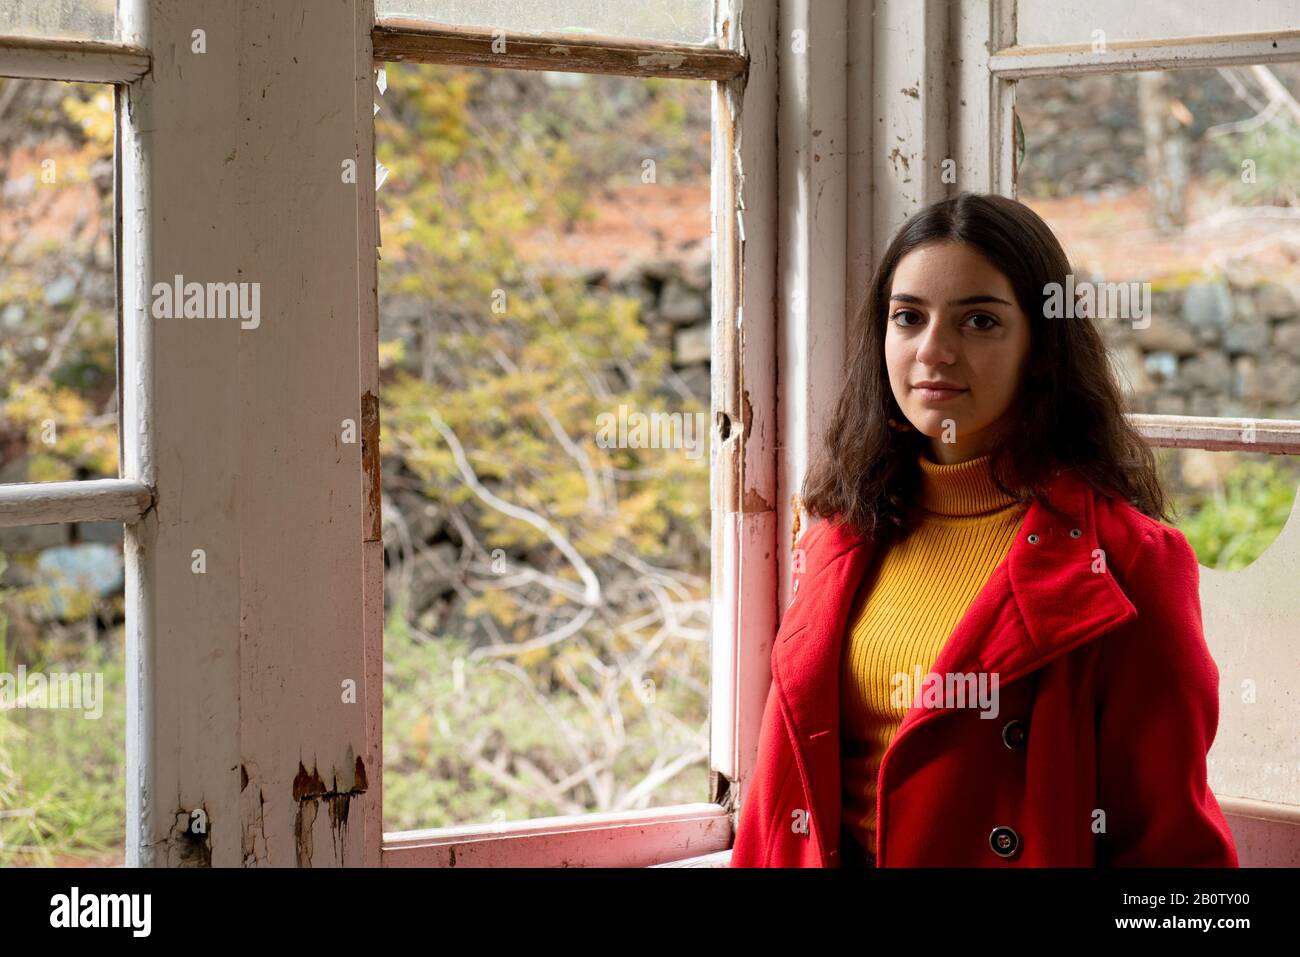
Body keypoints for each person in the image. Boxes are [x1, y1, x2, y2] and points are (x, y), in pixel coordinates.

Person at [729, 191, 1239, 868]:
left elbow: (1175, 855)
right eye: (908, 317)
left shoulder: (1127, 562)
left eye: (979, 321)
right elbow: (778, 811)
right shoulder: (838, 532)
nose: (933, 350)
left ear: (1042, 349)